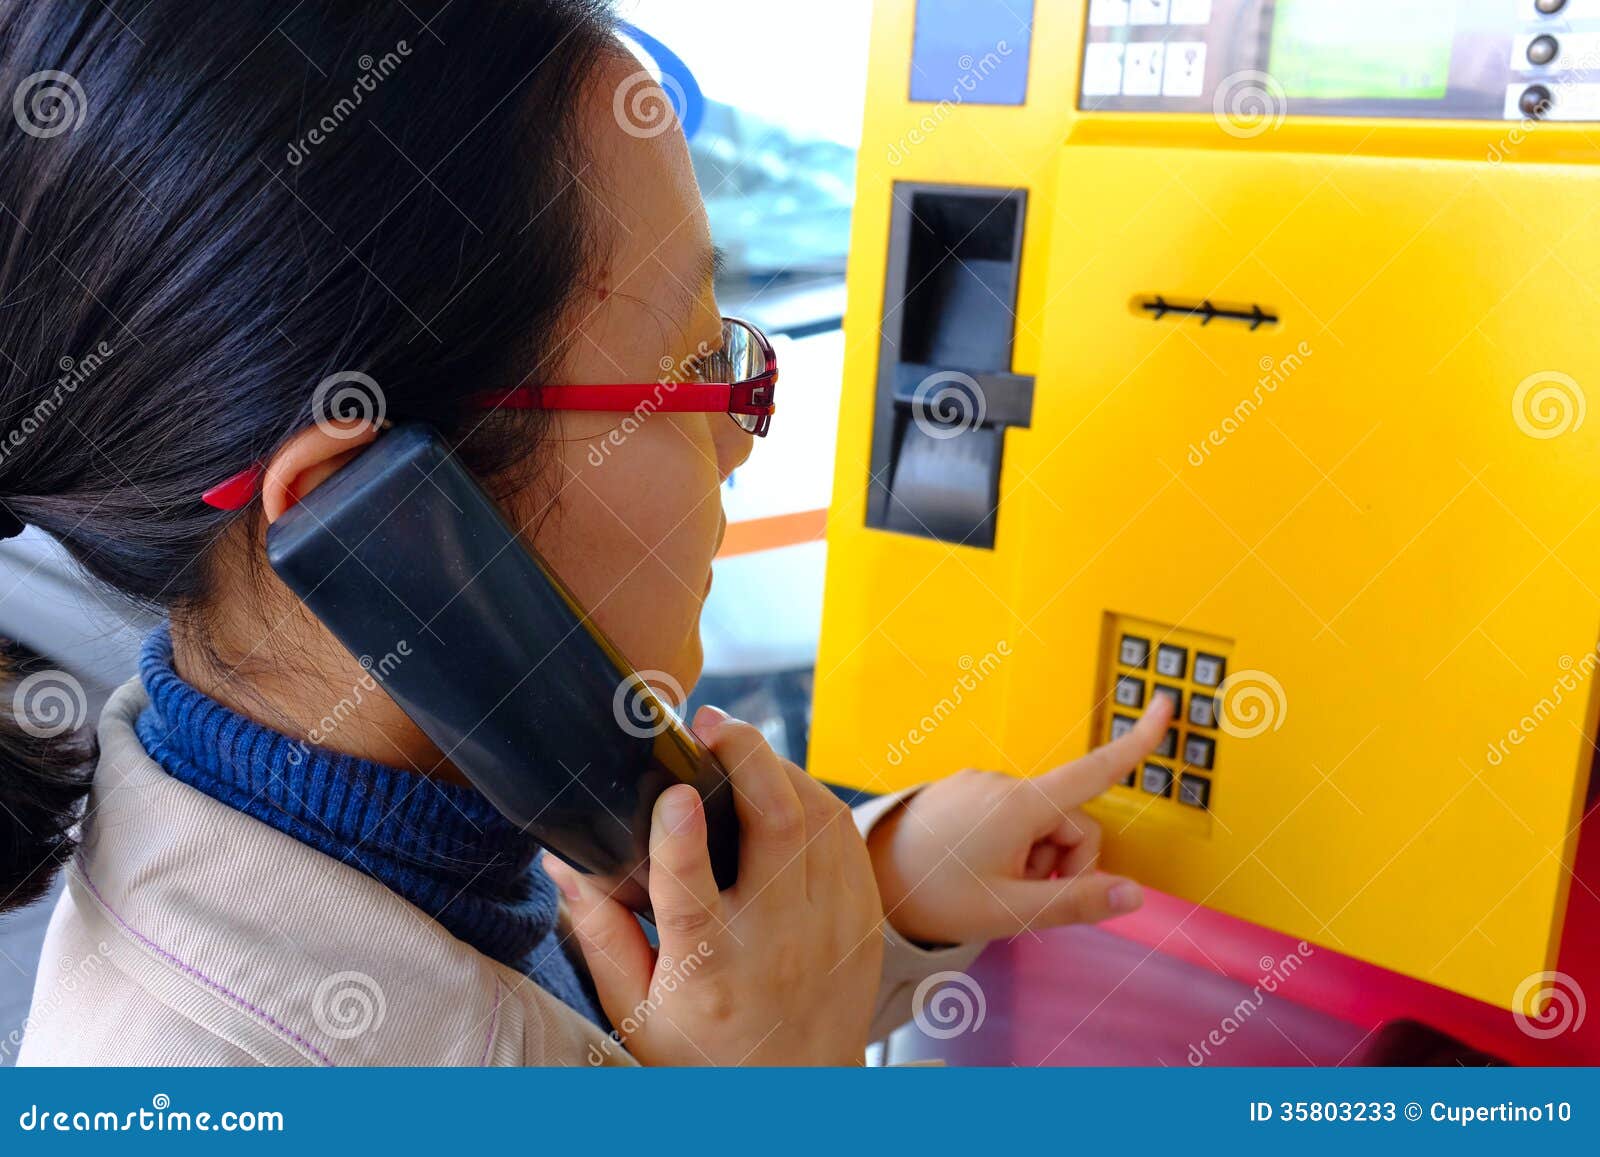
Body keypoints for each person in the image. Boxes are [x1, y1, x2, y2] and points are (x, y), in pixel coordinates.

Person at [0, 0, 1171, 1066]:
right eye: (689, 374)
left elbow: (583, 1023)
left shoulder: (444, 821)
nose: (739, 441)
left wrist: (876, 888)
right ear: (362, 521)